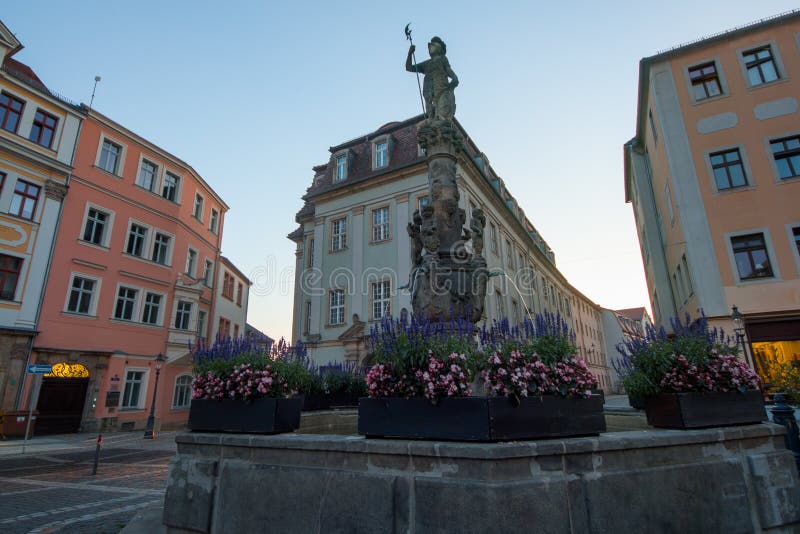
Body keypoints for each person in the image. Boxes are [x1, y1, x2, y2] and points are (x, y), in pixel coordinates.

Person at [406, 36, 458, 120]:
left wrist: (449, 88)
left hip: (441, 90)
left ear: (439, 48)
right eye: (429, 46)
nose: (429, 48)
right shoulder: (426, 64)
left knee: (443, 117)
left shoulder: (442, 59)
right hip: (428, 92)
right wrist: (410, 54)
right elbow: (409, 67)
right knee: (430, 117)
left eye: (432, 45)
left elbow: (453, 77)